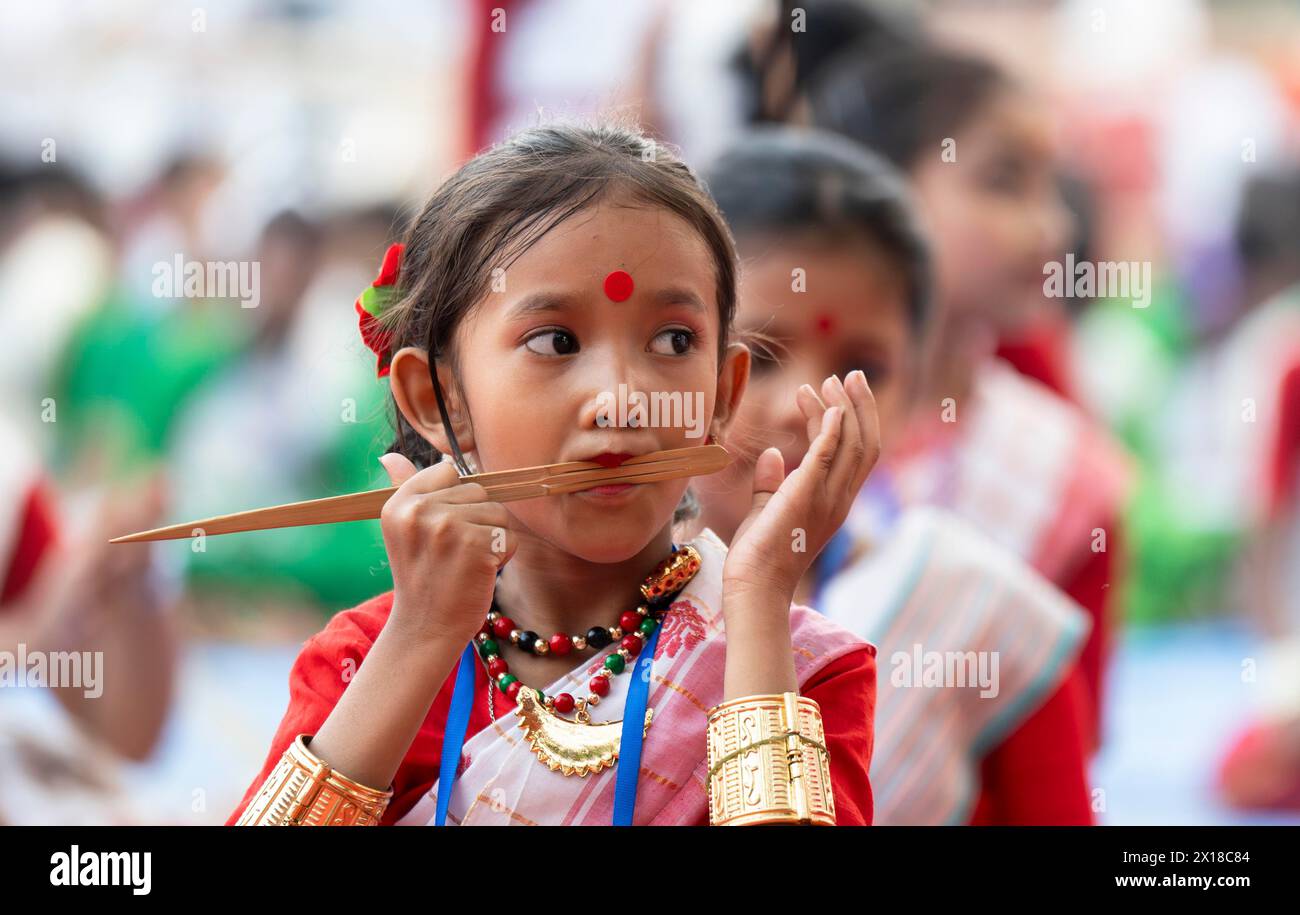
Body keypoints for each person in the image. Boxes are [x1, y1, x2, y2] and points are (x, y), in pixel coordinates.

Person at [228, 121, 880, 827]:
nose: (622, 397)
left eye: (673, 340)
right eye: (555, 341)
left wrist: (756, 602)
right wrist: (419, 638)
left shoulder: (800, 666)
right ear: (437, 399)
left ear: (721, 394)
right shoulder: (364, 657)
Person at [694, 128, 1094, 825]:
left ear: (916, 388)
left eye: (865, 369)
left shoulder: (977, 612)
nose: (806, 404)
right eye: (760, 355)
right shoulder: (579, 601)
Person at [806, 46, 1134, 748]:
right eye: (1003, 182)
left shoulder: (1064, 473)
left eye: (1052, 187)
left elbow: (1078, 738)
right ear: (880, 193)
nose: (1053, 228)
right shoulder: (775, 425)